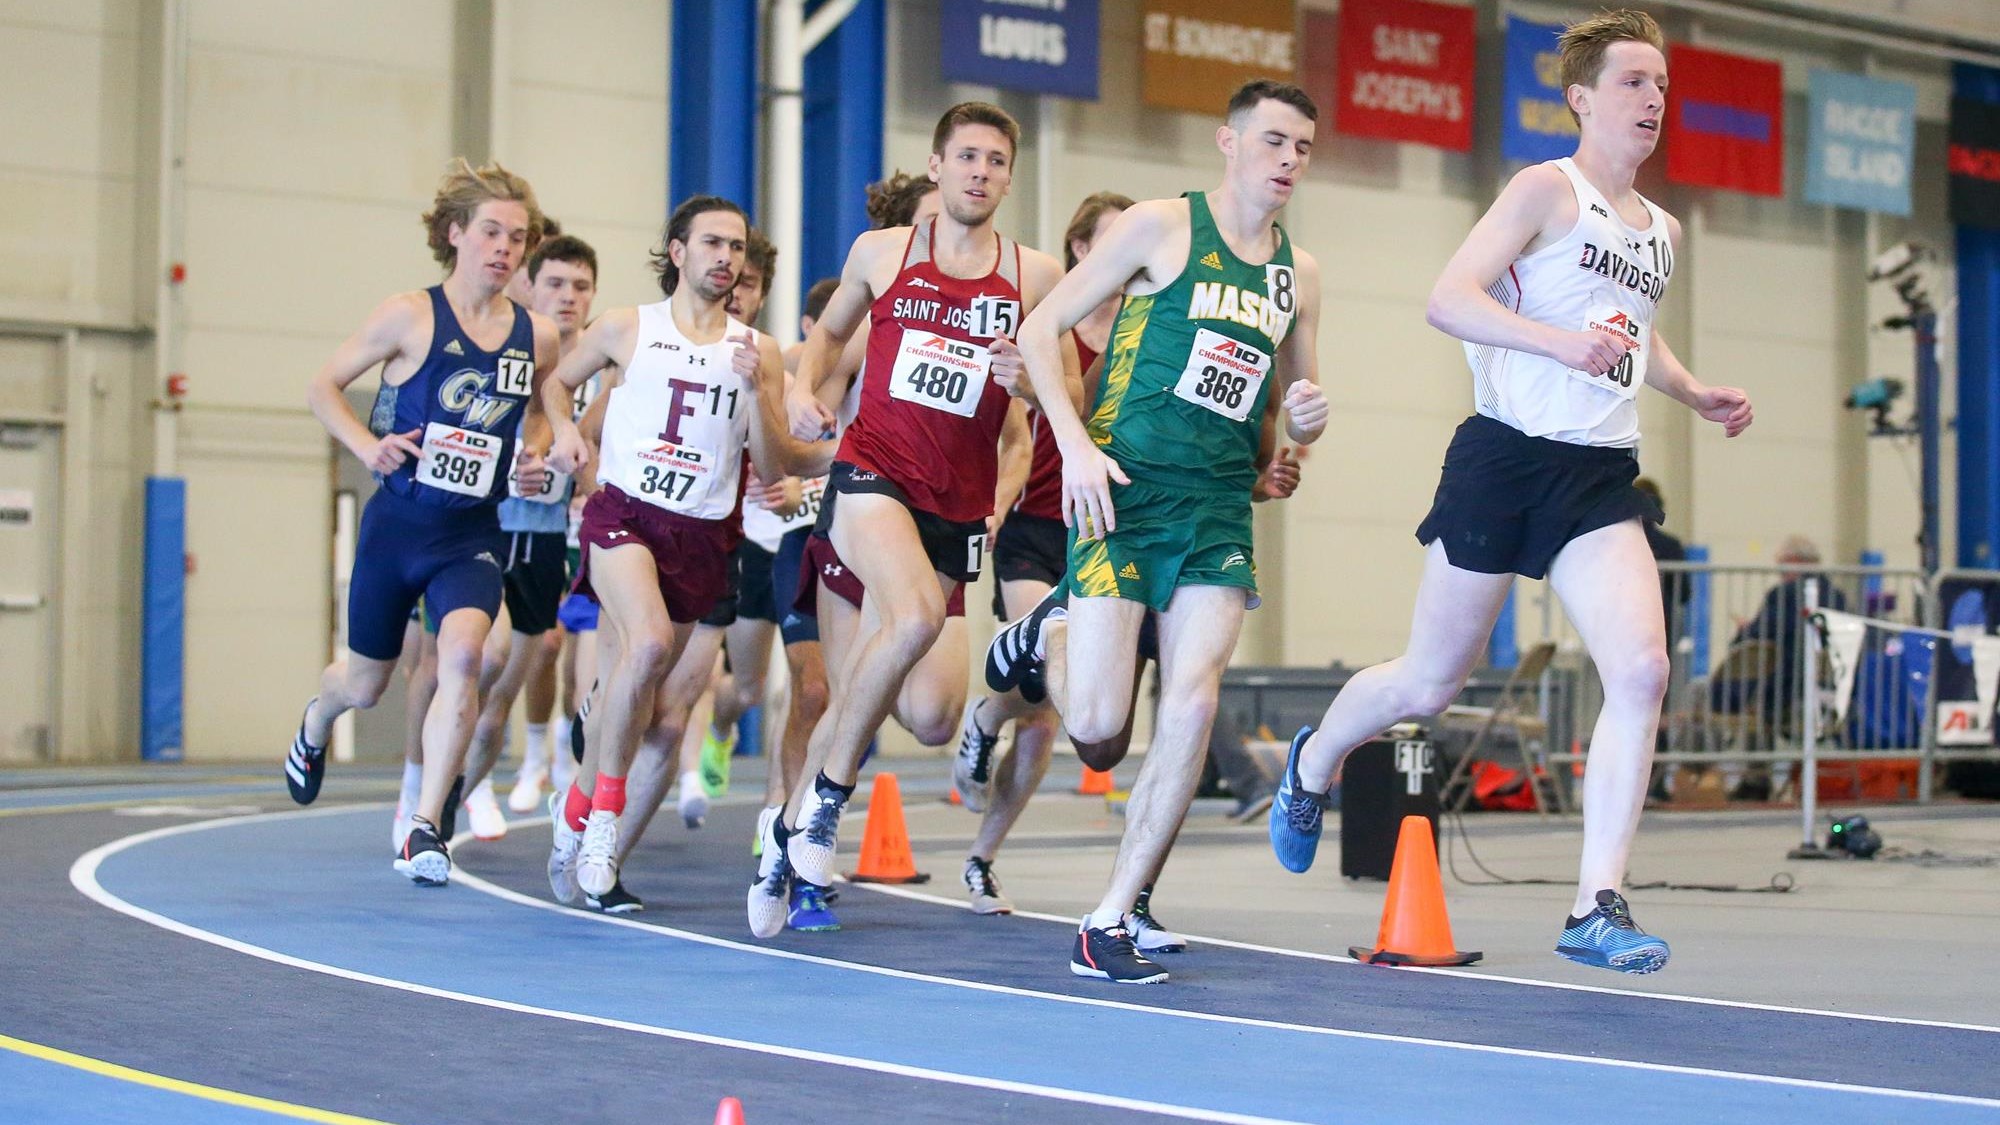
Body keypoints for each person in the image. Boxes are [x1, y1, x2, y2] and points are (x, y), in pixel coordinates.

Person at [1268, 10, 1754, 975]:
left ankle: (1594, 905)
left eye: (1661, 85)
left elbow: (1631, 330)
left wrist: (1692, 390)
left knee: (1644, 672)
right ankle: (1314, 760)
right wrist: (1558, 344)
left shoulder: (1662, 228)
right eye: (1632, 82)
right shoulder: (1544, 189)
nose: (1652, 100)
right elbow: (1449, 299)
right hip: (1504, 455)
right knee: (1430, 682)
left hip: (1598, 475)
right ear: (1581, 97)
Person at [984, 79, 1329, 984]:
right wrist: (1076, 448)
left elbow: (1292, 403)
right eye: (1275, 142)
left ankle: (1112, 916)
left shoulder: (1301, 273)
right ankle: (1044, 634)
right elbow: (1038, 325)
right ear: (1229, 141)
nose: (1289, 160)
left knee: (1195, 696)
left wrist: (1307, 419)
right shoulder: (1156, 226)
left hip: (1216, 507)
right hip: (1123, 491)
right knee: (1099, 729)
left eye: (1303, 148)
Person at [752, 105, 1068, 940]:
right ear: (936, 166)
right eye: (966, 155)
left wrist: (1028, 381)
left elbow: (1069, 397)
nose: (980, 171)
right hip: (871, 477)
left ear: (1008, 177)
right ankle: (820, 809)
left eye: (996, 160)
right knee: (915, 615)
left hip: (954, 512)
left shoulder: (1033, 278)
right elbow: (821, 342)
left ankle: (781, 839)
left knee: (929, 714)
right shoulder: (882, 253)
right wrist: (795, 388)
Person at [285, 159, 558, 888]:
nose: (505, 248)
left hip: (472, 532)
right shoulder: (409, 314)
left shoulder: (536, 335)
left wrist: (531, 463)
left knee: (465, 658)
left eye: (519, 237)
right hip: (397, 527)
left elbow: (531, 424)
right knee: (366, 684)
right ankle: (318, 718)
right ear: (455, 233)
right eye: (492, 232)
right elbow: (323, 386)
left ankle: (427, 824)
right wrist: (367, 444)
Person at [540, 196, 801, 907]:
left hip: (702, 535)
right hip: (625, 515)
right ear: (678, 251)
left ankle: (576, 805)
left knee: (638, 683)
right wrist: (565, 434)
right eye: (712, 242)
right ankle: (600, 825)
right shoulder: (628, 327)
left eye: (737, 246)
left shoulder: (760, 352)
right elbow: (557, 384)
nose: (726, 257)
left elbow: (775, 461)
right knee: (650, 644)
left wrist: (761, 396)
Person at [448, 234, 600, 837]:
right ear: (529, 287)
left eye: (580, 286)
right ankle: (433, 790)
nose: (566, 298)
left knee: (512, 676)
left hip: (544, 537)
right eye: (555, 284)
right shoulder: (505, 346)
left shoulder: (598, 362)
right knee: (476, 660)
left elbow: (588, 446)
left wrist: (588, 485)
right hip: (479, 527)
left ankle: (507, 767)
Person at [1718, 534, 1845, 800]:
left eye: (1781, 564)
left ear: (1795, 562)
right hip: (1830, 691)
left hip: (1783, 690)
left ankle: (1755, 780)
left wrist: (1744, 631)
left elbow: (1759, 637)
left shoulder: (1782, 595)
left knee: (1749, 702)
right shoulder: (1838, 596)